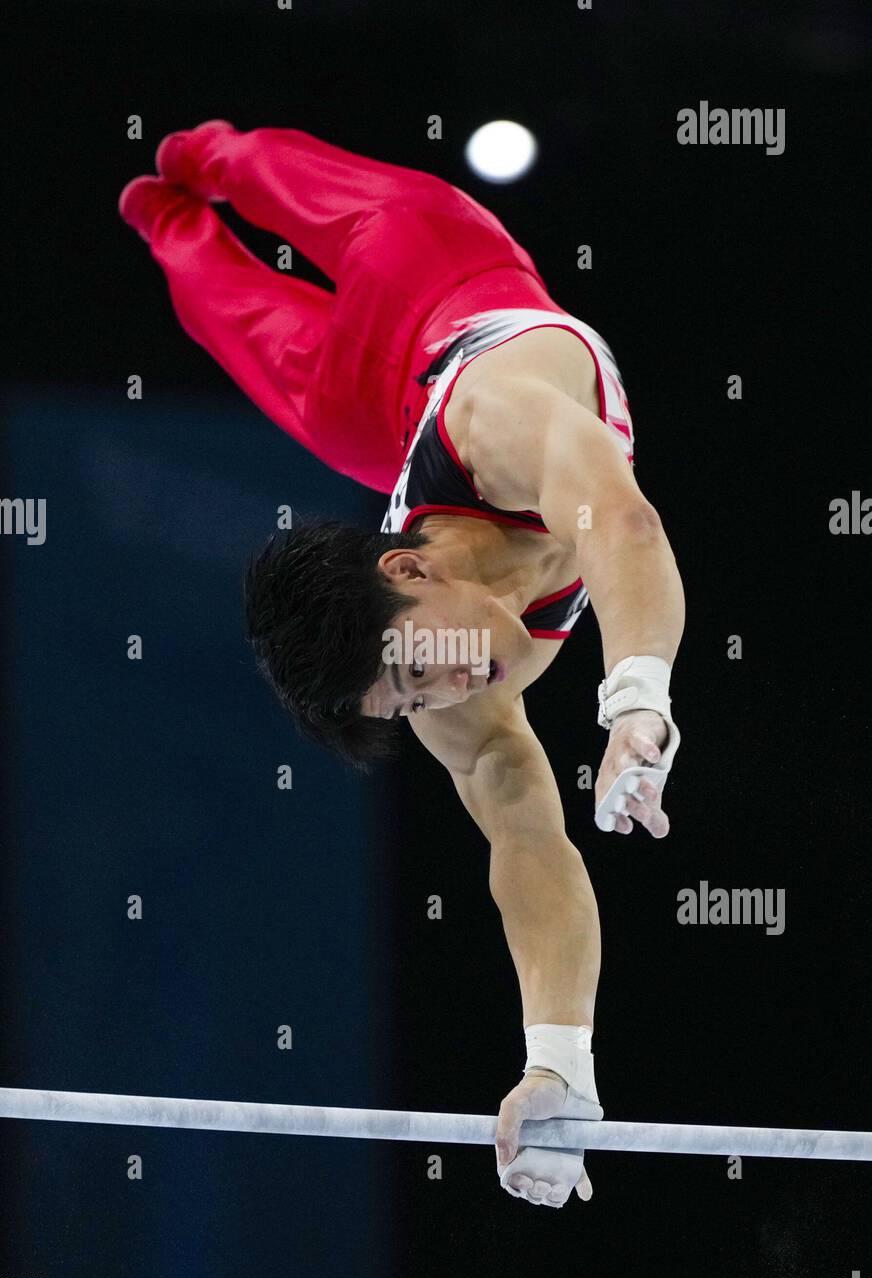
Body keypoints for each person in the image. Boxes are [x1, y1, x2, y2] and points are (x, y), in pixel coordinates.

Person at [120, 122, 685, 1208]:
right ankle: (160, 219)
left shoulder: (501, 422)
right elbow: (528, 843)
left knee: (294, 189)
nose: (449, 695)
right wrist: (557, 1067)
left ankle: (203, 154)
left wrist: (635, 698)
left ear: (410, 573)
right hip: (387, 420)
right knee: (223, 306)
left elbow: (622, 524)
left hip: (443, 285)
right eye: (413, 698)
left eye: (417, 667)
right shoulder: (444, 697)